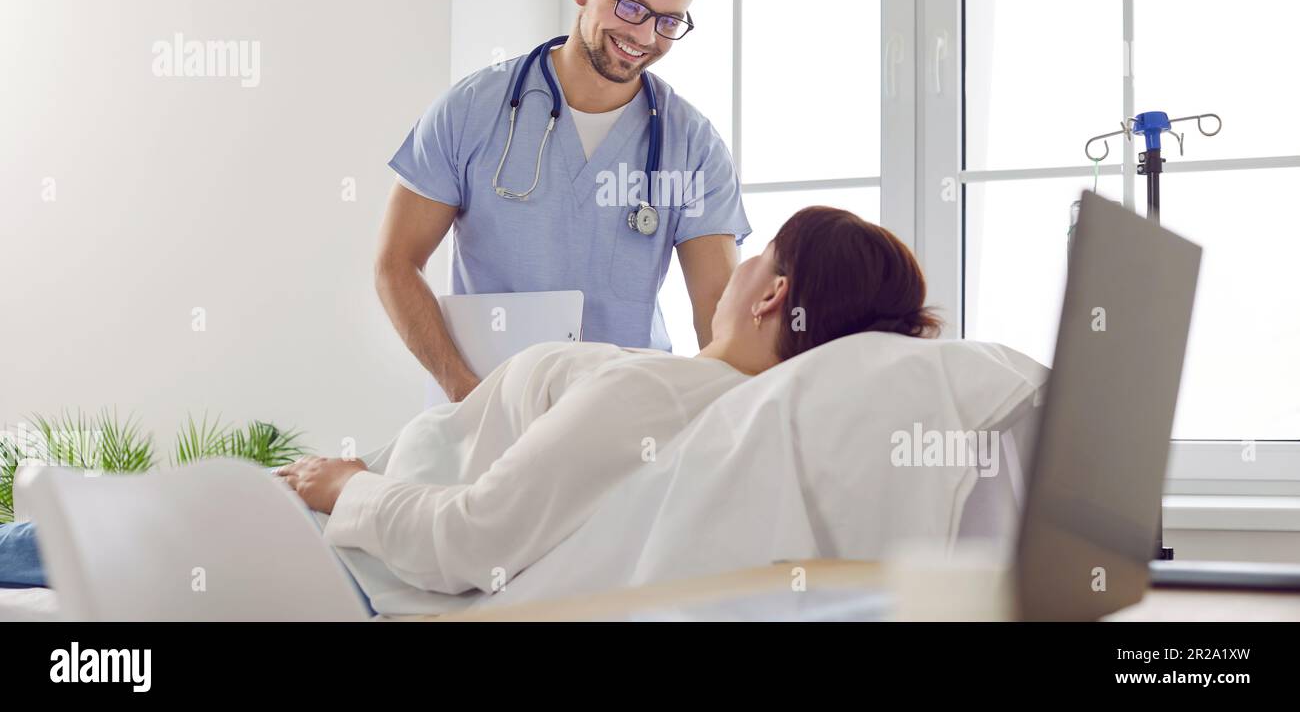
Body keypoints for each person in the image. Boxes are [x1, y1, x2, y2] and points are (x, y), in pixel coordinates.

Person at [0, 207, 941, 594]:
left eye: (759, 257)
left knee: (68, 528)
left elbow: (474, 539)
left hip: (361, 563)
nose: (736, 271)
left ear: (775, 294)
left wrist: (342, 488)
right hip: (375, 509)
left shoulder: (664, 392)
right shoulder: (733, 416)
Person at [376, 0, 750, 403]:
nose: (643, 36)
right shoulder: (472, 110)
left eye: (667, 21)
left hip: (623, 421)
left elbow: (720, 317)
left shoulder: (693, 146)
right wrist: (463, 390)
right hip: (484, 407)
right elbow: (396, 264)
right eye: (629, 7)